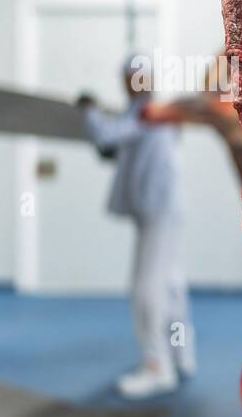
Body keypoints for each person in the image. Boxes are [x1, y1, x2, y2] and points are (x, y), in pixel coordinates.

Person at [77, 55, 195, 399]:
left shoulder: (147, 112)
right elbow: (125, 144)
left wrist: (88, 110)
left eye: (138, 76)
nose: (134, 82)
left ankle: (158, 367)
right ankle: (181, 356)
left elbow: (106, 132)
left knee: (146, 289)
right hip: (163, 210)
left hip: (158, 211)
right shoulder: (152, 115)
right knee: (170, 285)